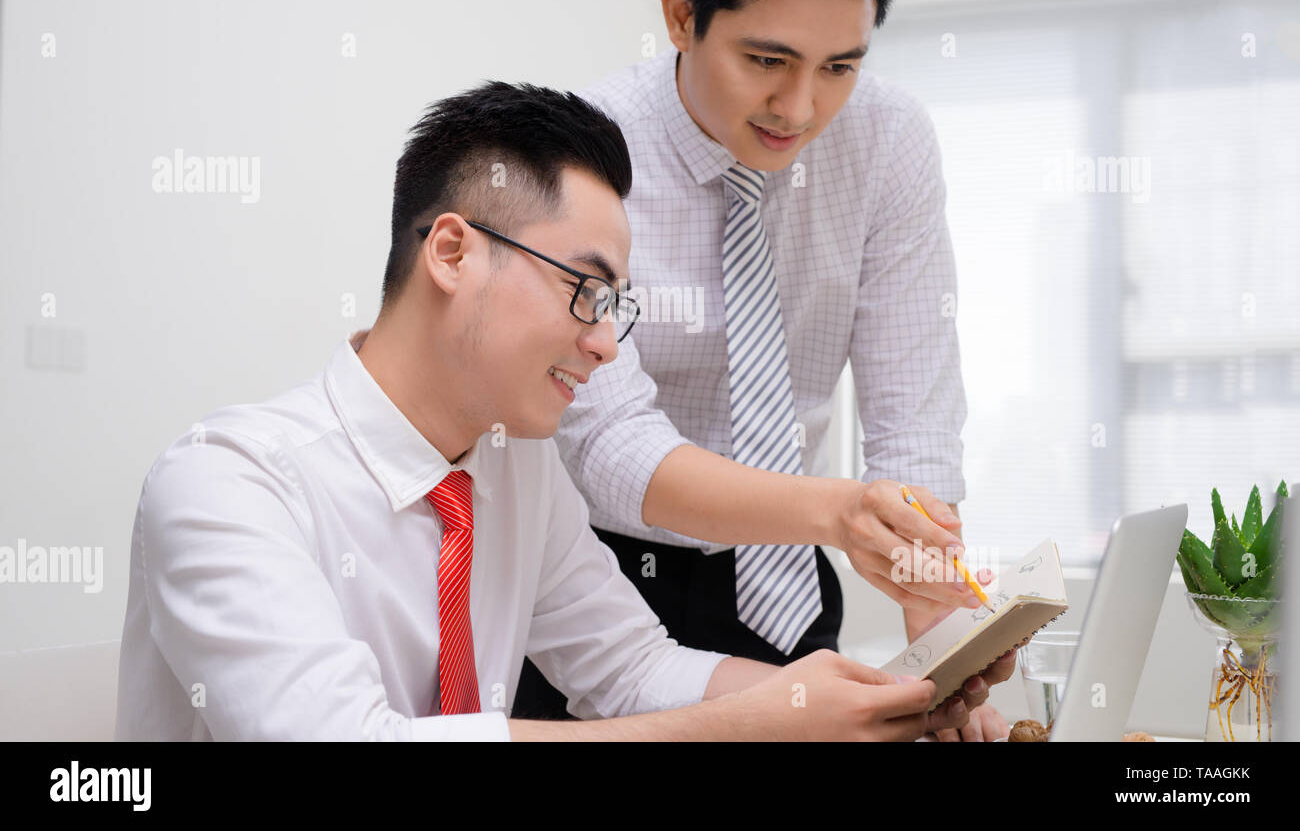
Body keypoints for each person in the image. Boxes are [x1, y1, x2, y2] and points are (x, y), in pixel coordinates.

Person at [114, 81, 979, 740]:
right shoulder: (227, 482)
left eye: (616, 305)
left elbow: (633, 667)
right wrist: (747, 723)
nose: (607, 343)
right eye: (586, 290)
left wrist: (852, 701)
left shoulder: (517, 469)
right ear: (451, 251)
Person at [512, 0, 1016, 740]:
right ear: (680, 15)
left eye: (840, 67)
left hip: (788, 586)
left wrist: (941, 633)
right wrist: (835, 511)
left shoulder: (890, 140)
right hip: (595, 586)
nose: (801, 108)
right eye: (767, 61)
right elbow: (611, 449)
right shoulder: (587, 149)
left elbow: (915, 418)